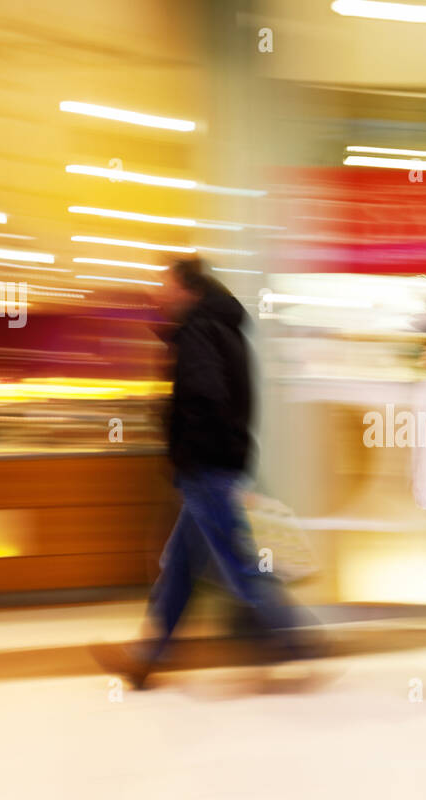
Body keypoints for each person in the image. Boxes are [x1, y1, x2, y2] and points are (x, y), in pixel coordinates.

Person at [106, 257, 301, 689]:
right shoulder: (222, 327)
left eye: (166, 284)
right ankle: (149, 655)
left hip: (206, 466)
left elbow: (204, 396)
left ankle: (293, 639)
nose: (160, 292)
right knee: (180, 565)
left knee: (237, 563)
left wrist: (185, 449)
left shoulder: (198, 329)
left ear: (187, 289)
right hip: (215, 462)